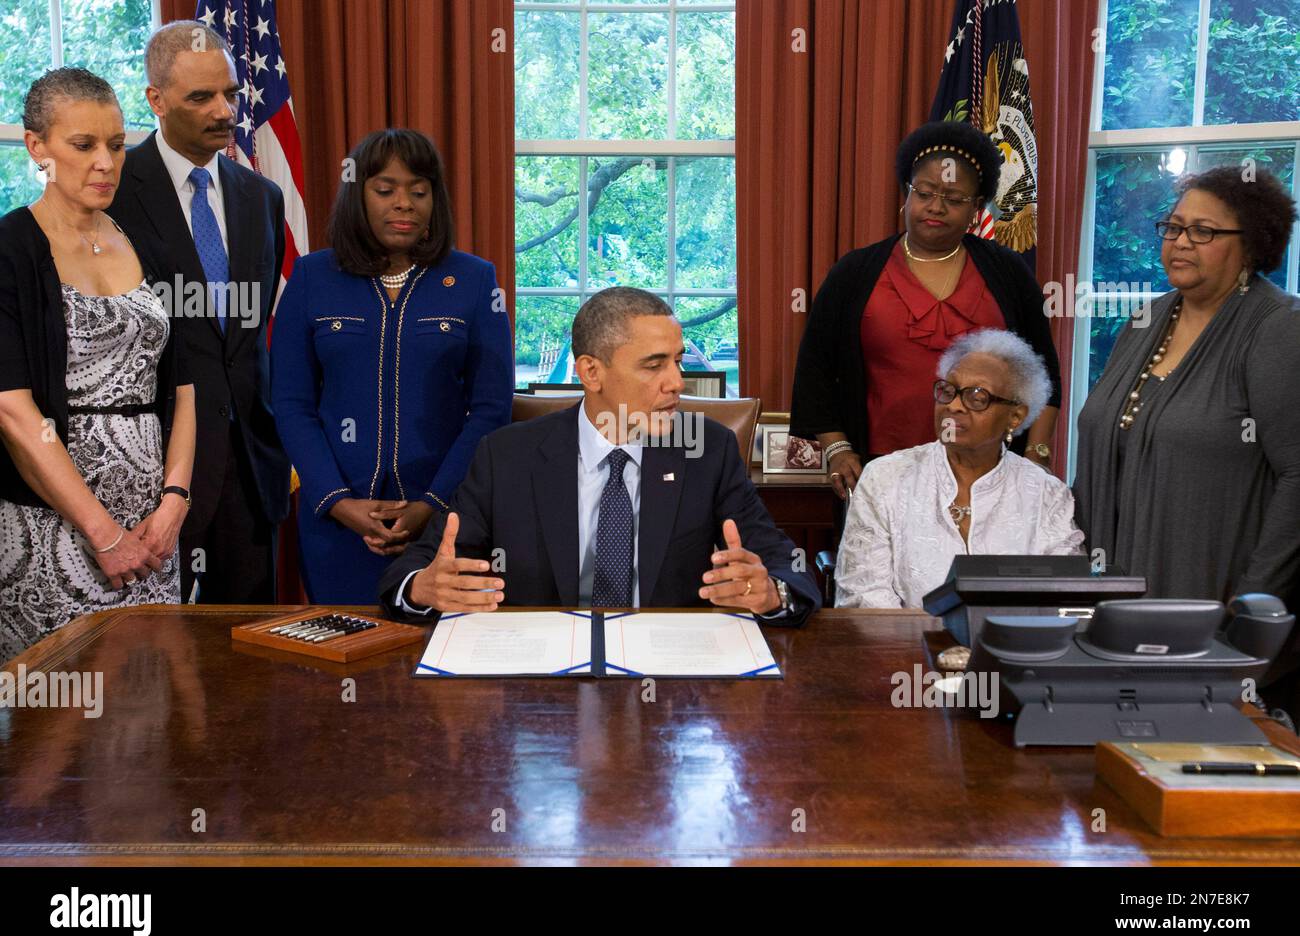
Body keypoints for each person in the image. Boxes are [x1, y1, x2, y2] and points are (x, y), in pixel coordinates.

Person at [377, 287, 822, 625]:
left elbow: (788, 569)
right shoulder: (506, 456)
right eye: (654, 365)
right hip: (540, 683)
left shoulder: (707, 448)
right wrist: (422, 588)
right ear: (591, 372)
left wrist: (770, 594)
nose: (677, 383)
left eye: (678, 361)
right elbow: (417, 568)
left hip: (669, 679)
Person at [271, 129, 514, 603]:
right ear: (357, 195)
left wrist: (431, 505)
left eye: (418, 191)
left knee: (436, 656)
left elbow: (490, 408)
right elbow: (292, 403)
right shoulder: (312, 277)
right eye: (385, 190)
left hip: (444, 520)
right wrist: (338, 503)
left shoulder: (474, 279)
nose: (404, 203)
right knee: (344, 651)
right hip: (336, 523)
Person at [0, 68, 195, 659]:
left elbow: (184, 389)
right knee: (59, 724)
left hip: (154, 527)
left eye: (116, 144)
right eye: (83, 145)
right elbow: (11, 409)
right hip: (51, 525)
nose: (106, 162)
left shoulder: (150, 245)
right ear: (38, 147)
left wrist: (175, 500)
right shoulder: (11, 249)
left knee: (148, 706)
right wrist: (104, 535)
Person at [107, 20, 289, 603]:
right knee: (163, 668)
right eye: (201, 97)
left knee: (250, 663)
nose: (224, 111)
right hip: (153, 476)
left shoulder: (262, 196)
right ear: (155, 100)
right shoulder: (112, 194)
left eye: (231, 94)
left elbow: (251, 331)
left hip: (252, 475)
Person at [791, 120, 1062, 503]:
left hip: (991, 474)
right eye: (925, 193)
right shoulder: (854, 273)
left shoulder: (1008, 272)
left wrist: (1037, 452)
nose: (935, 207)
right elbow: (815, 369)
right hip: (880, 470)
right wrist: (837, 448)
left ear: (976, 209)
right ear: (906, 194)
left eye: (953, 199)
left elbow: (1043, 369)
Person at [1074, 166, 1300, 611]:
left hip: (1215, 611)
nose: (1179, 241)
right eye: (1174, 227)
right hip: (1108, 597)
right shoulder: (1145, 321)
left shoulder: (1278, 328)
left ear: (1251, 245)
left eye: (1203, 232)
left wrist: (1255, 601)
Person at [835, 329, 1083, 608]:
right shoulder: (885, 478)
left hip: (1015, 647)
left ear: (1015, 416)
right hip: (905, 649)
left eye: (977, 398)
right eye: (947, 391)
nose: (954, 406)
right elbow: (864, 598)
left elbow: (1064, 596)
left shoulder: (1047, 494)